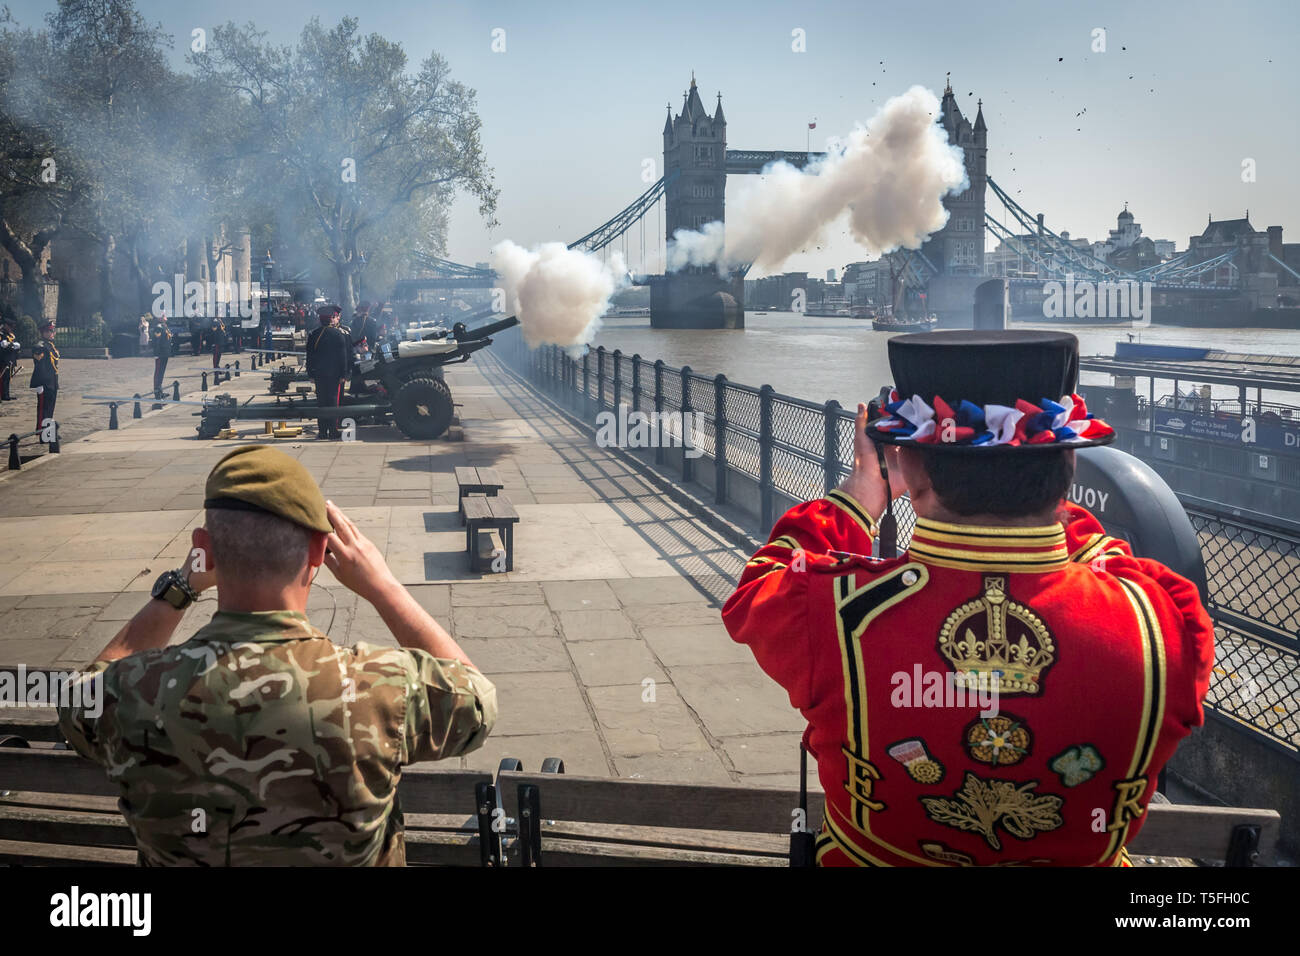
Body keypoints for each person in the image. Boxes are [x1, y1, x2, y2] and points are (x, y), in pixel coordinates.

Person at [722, 330, 1215, 867]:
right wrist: (1040, 502)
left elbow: (757, 585)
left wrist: (862, 491)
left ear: (910, 468)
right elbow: (1106, 557)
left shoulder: (832, 612)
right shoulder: (1163, 622)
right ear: (1069, 464)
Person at [56, 444, 497, 866]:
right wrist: (382, 587)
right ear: (320, 552)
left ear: (203, 548)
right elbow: (477, 700)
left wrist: (180, 587)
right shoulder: (381, 689)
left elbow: (74, 700)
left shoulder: (131, 693)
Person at [305, 304, 350, 440]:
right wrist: (344, 374)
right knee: (332, 401)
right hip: (334, 375)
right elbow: (343, 357)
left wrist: (310, 374)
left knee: (321, 402)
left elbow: (310, 356)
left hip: (319, 374)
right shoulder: (338, 334)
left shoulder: (314, 334)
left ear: (320, 319)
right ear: (331, 319)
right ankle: (333, 430)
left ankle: (323, 431)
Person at [29, 319, 59, 437]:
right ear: (43, 333)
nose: (51, 333)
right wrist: (39, 384)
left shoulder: (50, 345)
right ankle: (42, 432)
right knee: (43, 409)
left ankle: (48, 431)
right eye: (48, 331)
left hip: (52, 381)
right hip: (44, 382)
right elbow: (39, 366)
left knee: (50, 407)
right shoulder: (40, 346)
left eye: (52, 331)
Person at [151, 317, 172, 397]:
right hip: (160, 354)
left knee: (161, 372)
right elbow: (157, 342)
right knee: (158, 372)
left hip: (165, 353)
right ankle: (157, 391)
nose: (165, 318)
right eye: (163, 316)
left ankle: (160, 390)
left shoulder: (164, 326)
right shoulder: (158, 327)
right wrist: (156, 354)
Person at [0, 316, 18, 401]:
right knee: (3, 378)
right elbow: (3, 346)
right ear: (6, 325)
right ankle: (3, 395)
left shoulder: (10, 335)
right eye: (10, 326)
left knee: (8, 378)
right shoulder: (1, 334)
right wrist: (11, 345)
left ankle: (6, 394)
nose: (11, 328)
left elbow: (11, 345)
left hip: (10, 359)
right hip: (3, 360)